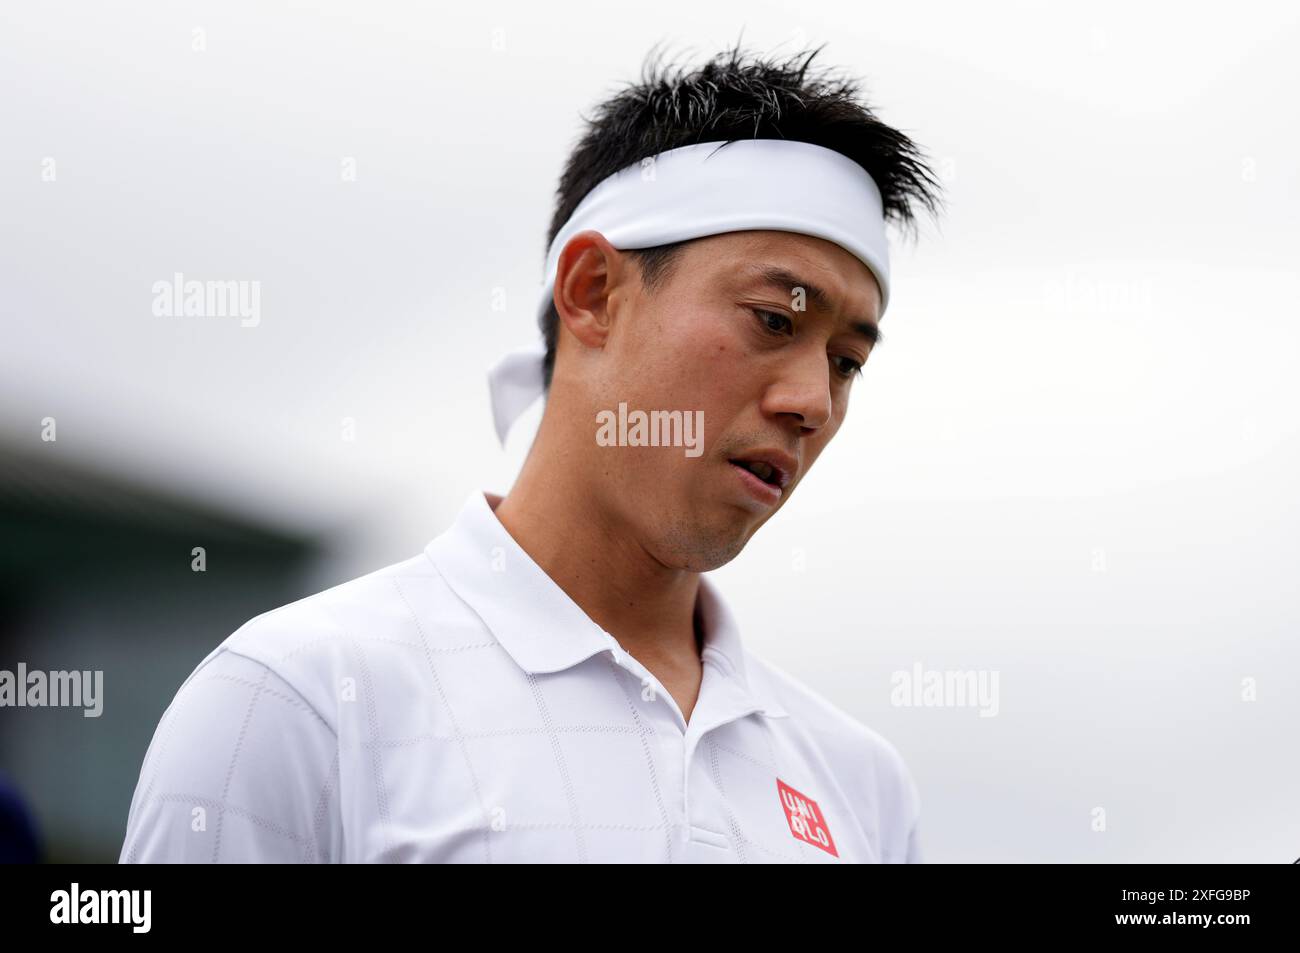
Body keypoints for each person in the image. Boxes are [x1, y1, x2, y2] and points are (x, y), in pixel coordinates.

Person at [120, 43, 942, 863]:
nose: (812, 401)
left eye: (847, 362)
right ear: (593, 293)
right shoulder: (299, 698)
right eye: (773, 318)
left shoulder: (861, 786)